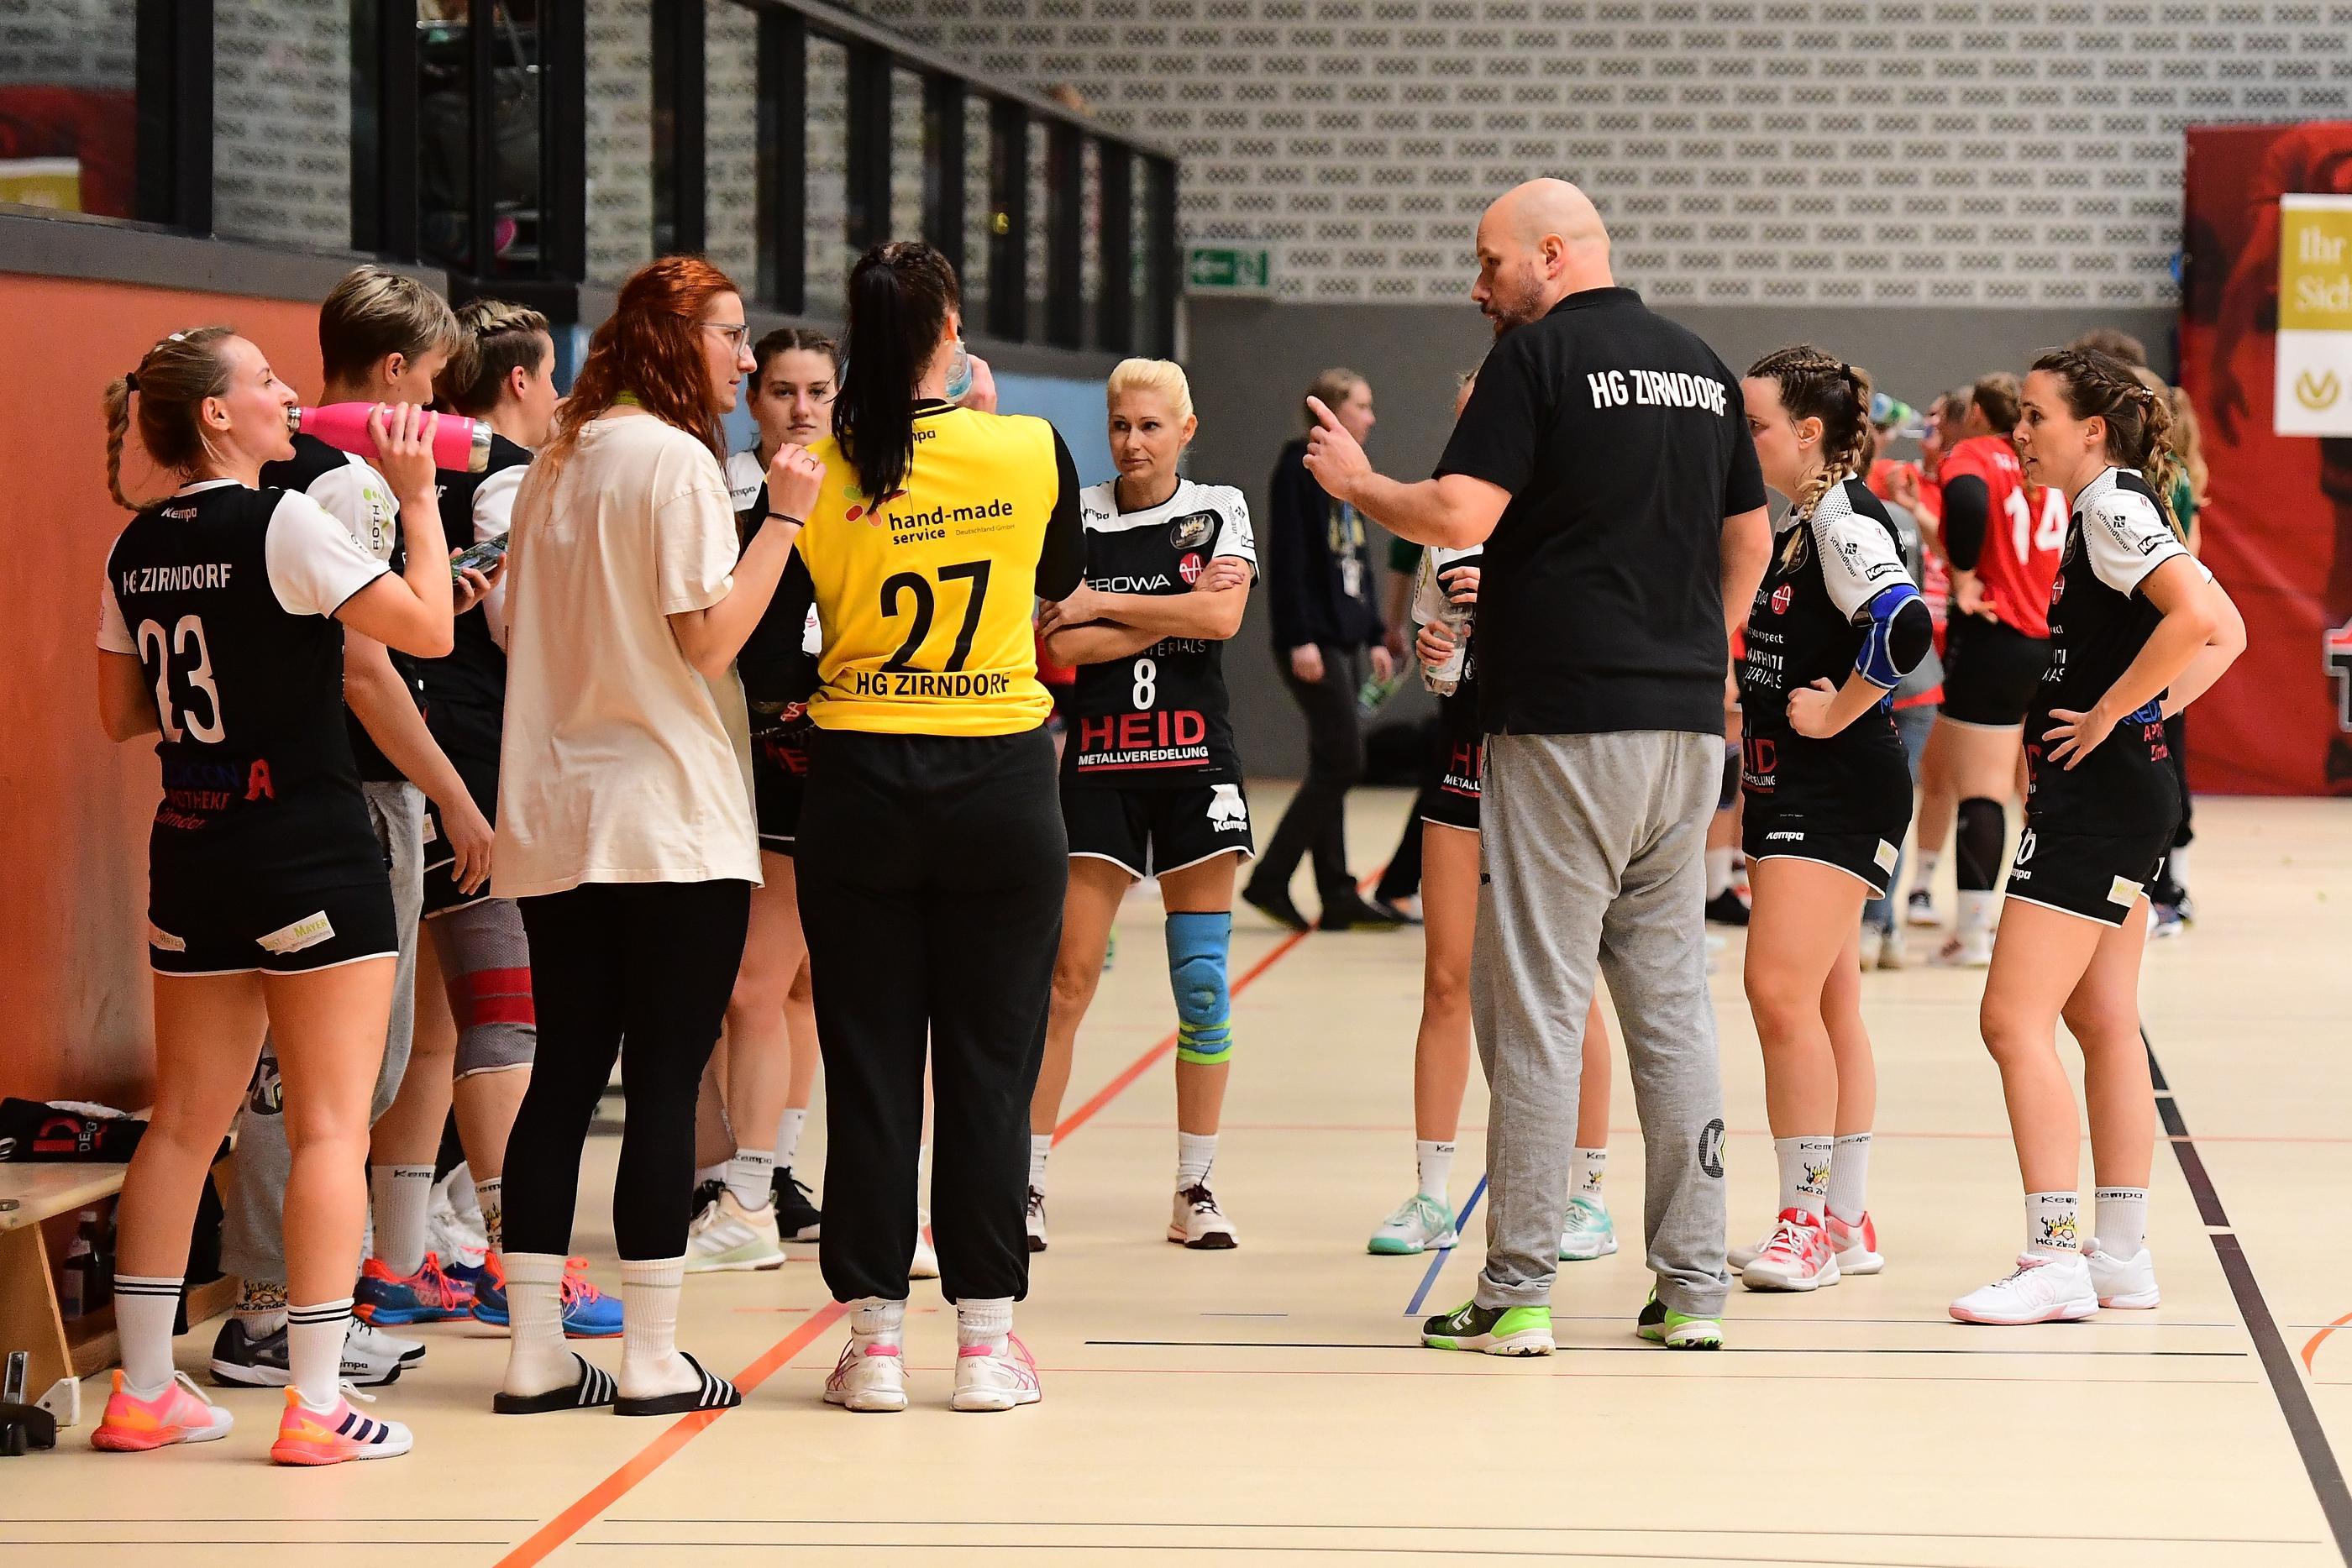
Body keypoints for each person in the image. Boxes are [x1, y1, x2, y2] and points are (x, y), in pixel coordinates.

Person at [1301, 178, 1772, 1356]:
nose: (1477, 286)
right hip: (1683, 733)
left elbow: (1459, 510)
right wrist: (1702, 655)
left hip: (1565, 726)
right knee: (1672, 1009)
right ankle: (1692, 1287)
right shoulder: (1703, 366)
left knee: (1539, 1006)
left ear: (1552, 254)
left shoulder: (1537, 359)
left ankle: (1517, 1289)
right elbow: (1751, 538)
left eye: (1488, 261)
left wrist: (1358, 484)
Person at [90, 328, 454, 1462]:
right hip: (306, 852)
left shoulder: (134, 545)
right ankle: (316, 1401)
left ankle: (145, 1389)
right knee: (331, 1124)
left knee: (183, 1123)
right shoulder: (286, 520)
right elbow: (430, 629)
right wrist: (419, 499)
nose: (288, 393)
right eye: (263, 379)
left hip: (192, 849)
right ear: (215, 414)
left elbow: (122, 715)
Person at [740, 240, 1084, 1414]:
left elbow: (768, 651)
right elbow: (1058, 576)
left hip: (860, 785)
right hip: (1000, 782)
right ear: (948, 331)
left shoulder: (813, 468)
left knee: (872, 1065)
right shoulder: (1028, 446)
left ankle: (875, 1343)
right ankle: (985, 1342)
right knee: (991, 1067)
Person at [490, 255, 816, 1417]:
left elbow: (508, 620)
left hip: (555, 812)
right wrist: (782, 522)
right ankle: (651, 1356)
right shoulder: (675, 461)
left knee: (563, 1077)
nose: (745, 357)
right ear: (678, 338)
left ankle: (534, 1356)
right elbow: (710, 638)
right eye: (730, 334)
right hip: (668, 820)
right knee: (667, 1080)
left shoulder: (554, 460)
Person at [211, 266, 491, 1388]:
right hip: (354, 799)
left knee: (305, 1072)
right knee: (333, 1076)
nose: (438, 404)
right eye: (433, 381)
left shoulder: (281, 474)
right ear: (396, 372)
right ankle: (276, 1311)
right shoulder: (358, 486)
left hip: (268, 796)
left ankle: (293, 1302)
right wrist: (455, 794)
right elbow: (367, 671)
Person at [1951, 348, 2244, 1324]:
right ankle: (2118, 1256)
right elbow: (2229, 631)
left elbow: (2198, 618)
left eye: (2035, 416)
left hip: (2098, 798)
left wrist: (2117, 712)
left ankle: (2053, 1258)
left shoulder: (2111, 507)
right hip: (2122, 790)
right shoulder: (2119, 506)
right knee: (2103, 1019)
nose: (2019, 432)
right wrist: (2146, 716)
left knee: (2011, 1018)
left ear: (2090, 429)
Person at [386, 299, 625, 1339]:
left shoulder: (409, 474)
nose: (564, 395)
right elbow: (518, 623)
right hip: (475, 761)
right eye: (554, 375)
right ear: (521, 381)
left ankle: (397, 1258)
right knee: (502, 1010)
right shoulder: (505, 479)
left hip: (418, 753)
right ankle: (512, 1252)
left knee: (434, 1028)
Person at [1368, 371, 1620, 1261]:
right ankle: (1431, 1194)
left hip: (1550, 776)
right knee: (1447, 980)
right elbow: (1442, 662)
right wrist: (1438, 655)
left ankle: (1587, 1196)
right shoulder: (1446, 532)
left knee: (1568, 987)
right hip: (1465, 766)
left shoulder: (1579, 520)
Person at [1024, 359, 1257, 1251]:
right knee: (1066, 980)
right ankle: (1027, 1183)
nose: (1132, 442)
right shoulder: (1077, 515)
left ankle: (1195, 1186)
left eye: (1151, 426)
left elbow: (1224, 621)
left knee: (1201, 983)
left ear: (1185, 430)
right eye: (1121, 425)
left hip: (1197, 760)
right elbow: (1060, 642)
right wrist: (1173, 605)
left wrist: (1106, 604)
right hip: (1103, 759)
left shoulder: (1219, 507)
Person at [1729, 348, 1930, 1291]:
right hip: (1789, 782)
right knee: (1825, 999)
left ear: (1808, 433)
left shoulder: (1845, 520)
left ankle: (1803, 1222)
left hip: (1834, 784)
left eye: (1756, 425)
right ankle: (1843, 1219)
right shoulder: (1799, 522)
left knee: (1776, 991)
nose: (1742, 439)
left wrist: (1838, 710)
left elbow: (1904, 624)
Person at [686, 327, 841, 1272]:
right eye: (782, 390)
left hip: (846, 757)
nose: (801, 407)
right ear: (755, 401)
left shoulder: (862, 493)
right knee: (746, 983)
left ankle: (771, 1172)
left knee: (802, 984)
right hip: (747, 759)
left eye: (818, 390)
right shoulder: (723, 491)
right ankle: (731, 1178)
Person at [1905, 372, 2063, 966]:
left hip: (1996, 638)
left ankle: (1971, 934)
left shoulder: (1976, 455)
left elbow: (1969, 504)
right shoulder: (2045, 461)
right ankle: (2044, 919)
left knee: (1981, 790)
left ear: (1976, 413)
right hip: (2050, 644)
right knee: (2032, 790)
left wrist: (1967, 576)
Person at [1243, 370, 1402, 932]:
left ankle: (1336, 891)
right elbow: (1289, 560)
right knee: (1344, 759)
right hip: (1312, 638)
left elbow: (1354, 562)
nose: (1371, 417)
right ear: (1330, 410)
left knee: (1332, 759)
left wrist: (1373, 634)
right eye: (1362, 405)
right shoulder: (1298, 469)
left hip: (1342, 638)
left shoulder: (1347, 473)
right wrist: (1299, 637)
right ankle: (1270, 878)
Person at [1859, 414, 1947, 970]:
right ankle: (1883, 927)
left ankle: (1873, 925)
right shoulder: (1901, 515)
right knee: (1894, 806)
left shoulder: (1848, 518)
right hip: (1919, 676)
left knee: (1873, 809)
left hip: (1878, 682)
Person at [2148, 384, 2210, 934]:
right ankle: (2173, 888)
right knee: (2170, 754)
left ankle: (2163, 889)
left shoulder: (2157, 481)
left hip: (2160, 635)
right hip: (2175, 635)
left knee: (2161, 755)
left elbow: (2184, 559)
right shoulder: (2184, 476)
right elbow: (2194, 552)